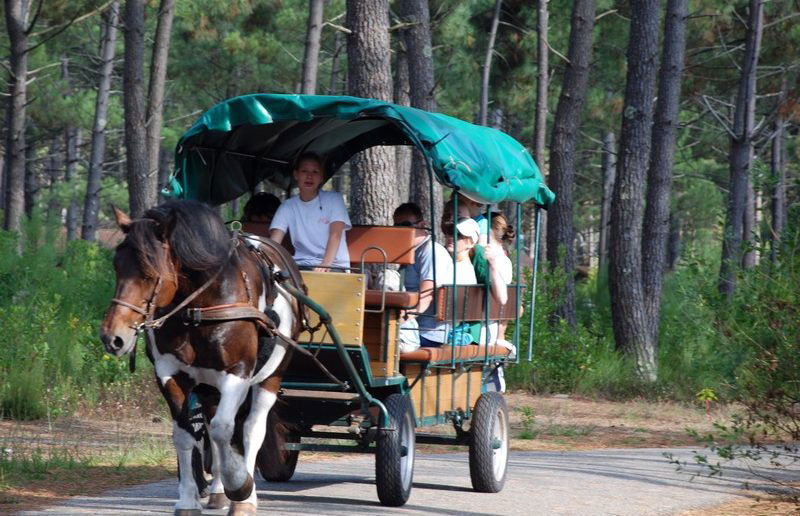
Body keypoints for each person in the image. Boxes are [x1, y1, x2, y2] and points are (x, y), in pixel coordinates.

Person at [270, 152, 351, 272]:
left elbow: (336, 235)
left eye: (315, 172)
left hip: (334, 265)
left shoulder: (334, 199)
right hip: (301, 265)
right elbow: (274, 242)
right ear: (296, 175)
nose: (309, 176)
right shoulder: (287, 206)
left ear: (321, 177)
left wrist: (325, 264)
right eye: (304, 171)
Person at [392, 202, 453, 348]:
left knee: (381, 337)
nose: (401, 231)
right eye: (397, 226)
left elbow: (426, 296)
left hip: (427, 332)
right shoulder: (410, 253)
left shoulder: (431, 251)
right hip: (412, 326)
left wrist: (398, 321)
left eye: (406, 225)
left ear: (422, 225)